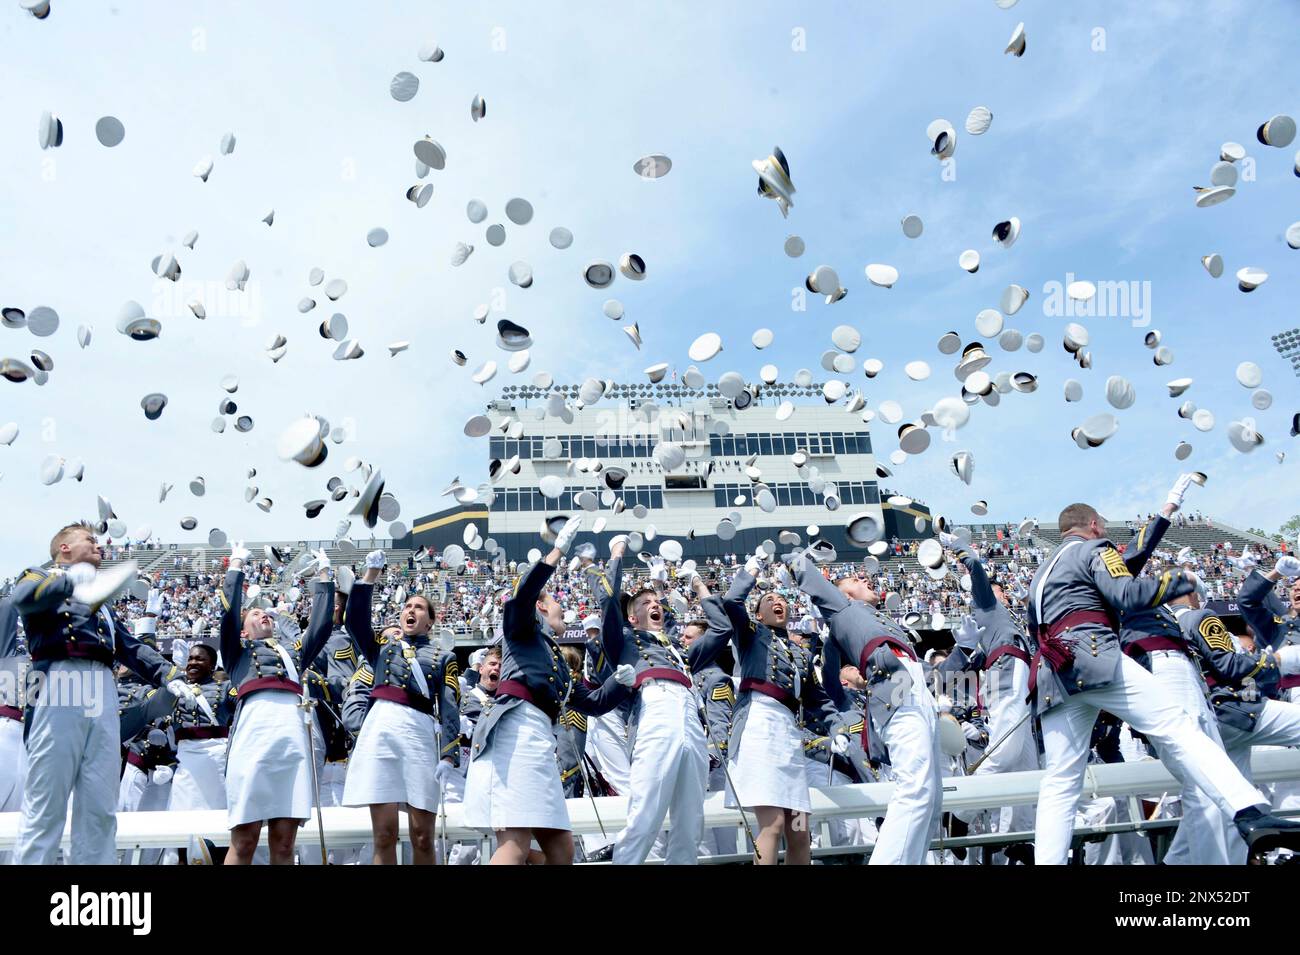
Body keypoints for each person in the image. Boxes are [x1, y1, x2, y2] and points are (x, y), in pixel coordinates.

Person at [1025, 502, 1300, 864]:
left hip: (1052, 674)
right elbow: (1127, 594)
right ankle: (1249, 812)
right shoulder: (1095, 548)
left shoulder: (1040, 572)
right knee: (1177, 726)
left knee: (1060, 782)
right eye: (1103, 527)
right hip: (1095, 655)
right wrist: (1182, 581)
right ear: (1093, 525)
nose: (1106, 533)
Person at [463, 517, 634, 864]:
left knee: (560, 850)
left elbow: (595, 703)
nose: (563, 608)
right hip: (515, 733)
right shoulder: (521, 631)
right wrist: (556, 551)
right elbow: (522, 595)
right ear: (541, 607)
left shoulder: (556, 660)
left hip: (540, 740)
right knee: (514, 845)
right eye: (556, 602)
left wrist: (620, 680)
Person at [11, 522, 176, 864]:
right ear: (65, 548)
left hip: (103, 685)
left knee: (100, 807)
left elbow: (129, 647)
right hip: (60, 680)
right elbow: (22, 599)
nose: (99, 545)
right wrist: (69, 580)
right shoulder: (40, 575)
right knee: (47, 803)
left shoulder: (103, 602)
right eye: (90, 540)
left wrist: (169, 675)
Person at [794, 555, 943, 864]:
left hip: (916, 688)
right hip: (895, 688)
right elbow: (804, 572)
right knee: (915, 788)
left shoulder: (869, 615)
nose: (864, 579)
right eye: (854, 580)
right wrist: (800, 557)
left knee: (931, 799)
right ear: (842, 594)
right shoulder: (842, 611)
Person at [710, 553, 853, 864]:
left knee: (800, 831)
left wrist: (837, 728)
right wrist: (751, 571)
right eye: (770, 600)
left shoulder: (801, 654)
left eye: (783, 599)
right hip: (760, 729)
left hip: (788, 735)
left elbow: (819, 700)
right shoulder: (751, 635)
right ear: (758, 615)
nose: (779, 602)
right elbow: (732, 602)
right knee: (772, 824)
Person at [595, 537, 712, 865]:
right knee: (645, 816)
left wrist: (698, 583)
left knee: (691, 823)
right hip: (654, 707)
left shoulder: (678, 647)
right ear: (632, 617)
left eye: (656, 600)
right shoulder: (625, 640)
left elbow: (720, 629)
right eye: (645, 602)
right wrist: (616, 553)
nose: (654, 604)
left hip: (689, 711)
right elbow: (606, 600)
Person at [342, 549, 461, 865]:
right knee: (384, 835)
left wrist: (449, 753)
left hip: (419, 736)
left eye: (419, 607)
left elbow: (449, 708)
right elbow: (353, 620)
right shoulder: (382, 648)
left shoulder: (444, 659)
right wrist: (370, 576)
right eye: (407, 606)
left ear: (430, 621)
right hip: (380, 733)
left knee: (423, 837)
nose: (411, 610)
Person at [220, 542, 335, 865]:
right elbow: (228, 613)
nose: (264, 615)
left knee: (284, 844)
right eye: (254, 613)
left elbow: (321, 627)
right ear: (244, 631)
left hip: (292, 735)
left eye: (266, 612)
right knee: (244, 841)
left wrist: (324, 576)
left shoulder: (293, 654)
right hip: (254, 731)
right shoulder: (237, 654)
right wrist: (236, 566)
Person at [939, 532, 1037, 862]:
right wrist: (961, 548)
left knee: (1026, 764)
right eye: (996, 590)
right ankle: (960, 813)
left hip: (1018, 676)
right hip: (1009, 672)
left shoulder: (1000, 620)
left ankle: (1017, 836)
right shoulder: (987, 606)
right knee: (1006, 752)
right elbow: (977, 569)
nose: (1000, 592)